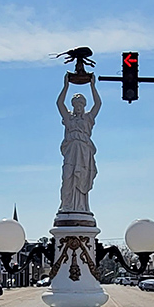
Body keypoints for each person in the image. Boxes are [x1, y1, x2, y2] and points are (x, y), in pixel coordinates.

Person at [56, 72, 101, 214]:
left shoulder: (88, 119)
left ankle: (81, 207)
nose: (78, 107)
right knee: (67, 178)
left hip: (84, 153)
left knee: (81, 179)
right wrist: (66, 86)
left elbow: (98, 104)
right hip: (71, 151)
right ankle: (67, 205)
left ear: (84, 106)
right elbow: (59, 104)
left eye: (81, 105)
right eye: (76, 105)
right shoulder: (68, 118)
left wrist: (93, 86)